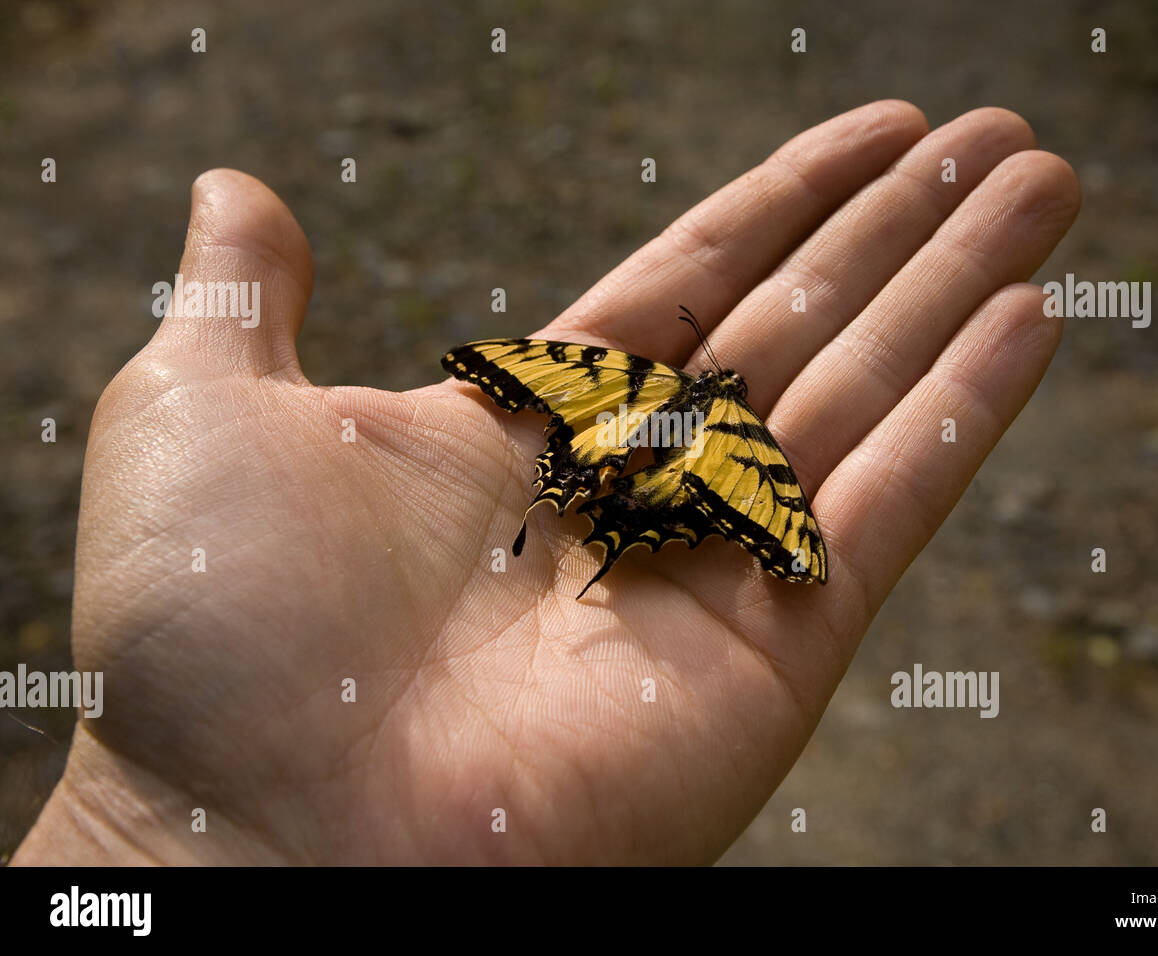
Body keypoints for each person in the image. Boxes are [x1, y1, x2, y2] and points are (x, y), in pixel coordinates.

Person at [14, 101, 1078, 864]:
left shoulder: (651, 384)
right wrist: (148, 817)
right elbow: (780, 527)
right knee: (653, 466)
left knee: (620, 450)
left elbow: (782, 537)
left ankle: (604, 505)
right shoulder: (747, 444)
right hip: (656, 473)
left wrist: (142, 833)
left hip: (623, 453)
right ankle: (616, 510)